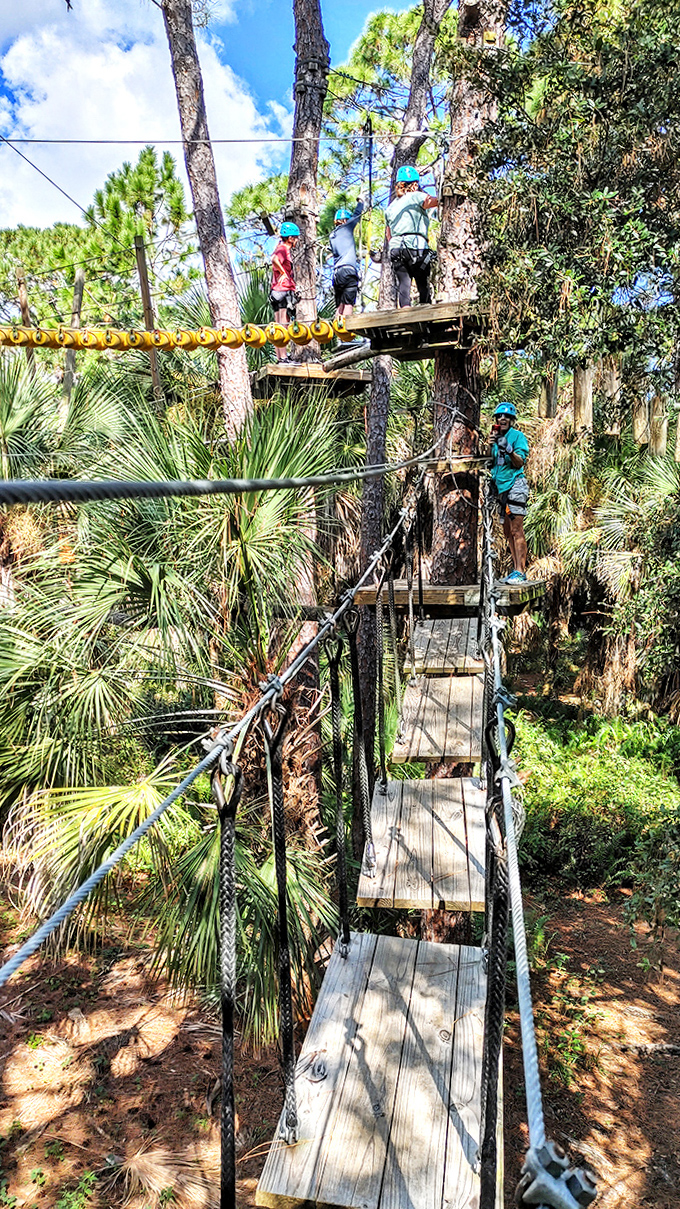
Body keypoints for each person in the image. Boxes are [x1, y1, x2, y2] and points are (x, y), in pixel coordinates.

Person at [488, 402, 530, 584]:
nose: (502, 419)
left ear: (512, 420)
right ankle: (515, 569)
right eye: (499, 416)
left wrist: (509, 449)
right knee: (507, 531)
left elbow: (519, 462)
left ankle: (521, 571)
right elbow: (491, 462)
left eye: (506, 417)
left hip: (515, 485)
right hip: (500, 489)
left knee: (516, 529)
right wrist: (489, 445)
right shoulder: (495, 438)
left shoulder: (517, 436)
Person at [384, 166, 438, 308]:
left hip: (396, 248)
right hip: (415, 245)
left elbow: (388, 234)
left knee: (404, 282)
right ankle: (425, 308)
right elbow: (431, 202)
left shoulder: (390, 207)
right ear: (414, 184)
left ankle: (405, 310)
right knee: (422, 280)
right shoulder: (416, 196)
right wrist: (444, 196)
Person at [329, 198, 365, 318]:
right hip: (348, 271)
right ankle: (345, 329)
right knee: (348, 303)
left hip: (337, 273)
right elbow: (357, 215)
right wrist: (361, 202)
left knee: (340, 305)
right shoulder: (346, 228)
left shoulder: (332, 235)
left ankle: (337, 330)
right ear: (344, 220)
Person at [270, 222, 299, 363]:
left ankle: (280, 357)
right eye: (296, 238)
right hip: (283, 290)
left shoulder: (280, 248)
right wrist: (284, 273)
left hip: (276, 291)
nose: (297, 240)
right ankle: (283, 357)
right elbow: (274, 260)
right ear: (291, 238)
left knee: (278, 325)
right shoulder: (283, 248)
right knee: (283, 325)